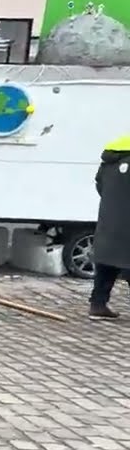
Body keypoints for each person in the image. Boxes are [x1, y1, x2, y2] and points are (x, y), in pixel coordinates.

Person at [90, 135, 130, 320]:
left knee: (106, 264)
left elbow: (100, 185)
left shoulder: (110, 160)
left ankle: (97, 305)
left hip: (110, 219)